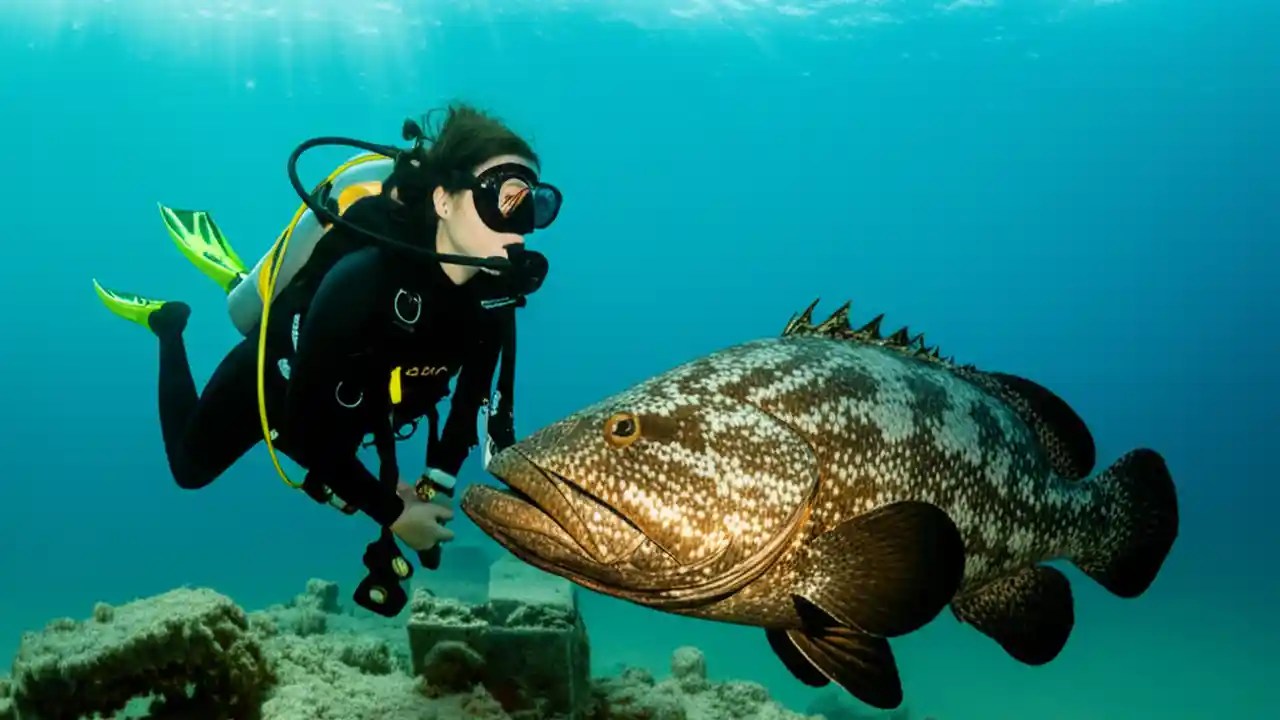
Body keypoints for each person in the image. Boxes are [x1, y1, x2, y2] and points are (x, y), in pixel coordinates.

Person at [92, 103, 562, 615]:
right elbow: (303, 430)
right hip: (280, 381)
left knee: (341, 459)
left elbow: (472, 393)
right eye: (503, 197)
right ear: (443, 200)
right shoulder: (363, 279)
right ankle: (168, 325)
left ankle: (238, 280)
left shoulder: (491, 297)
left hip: (360, 407)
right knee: (188, 469)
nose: (521, 227)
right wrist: (392, 511)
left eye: (534, 206)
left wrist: (435, 483)